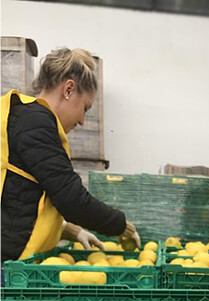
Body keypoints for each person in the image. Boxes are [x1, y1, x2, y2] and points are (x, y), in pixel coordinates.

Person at [2, 47, 140, 264]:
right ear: (68, 89)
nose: (83, 121)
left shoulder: (24, 117)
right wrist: (121, 225)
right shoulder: (36, 123)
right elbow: (72, 200)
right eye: (85, 108)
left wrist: (69, 231)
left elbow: (19, 195)